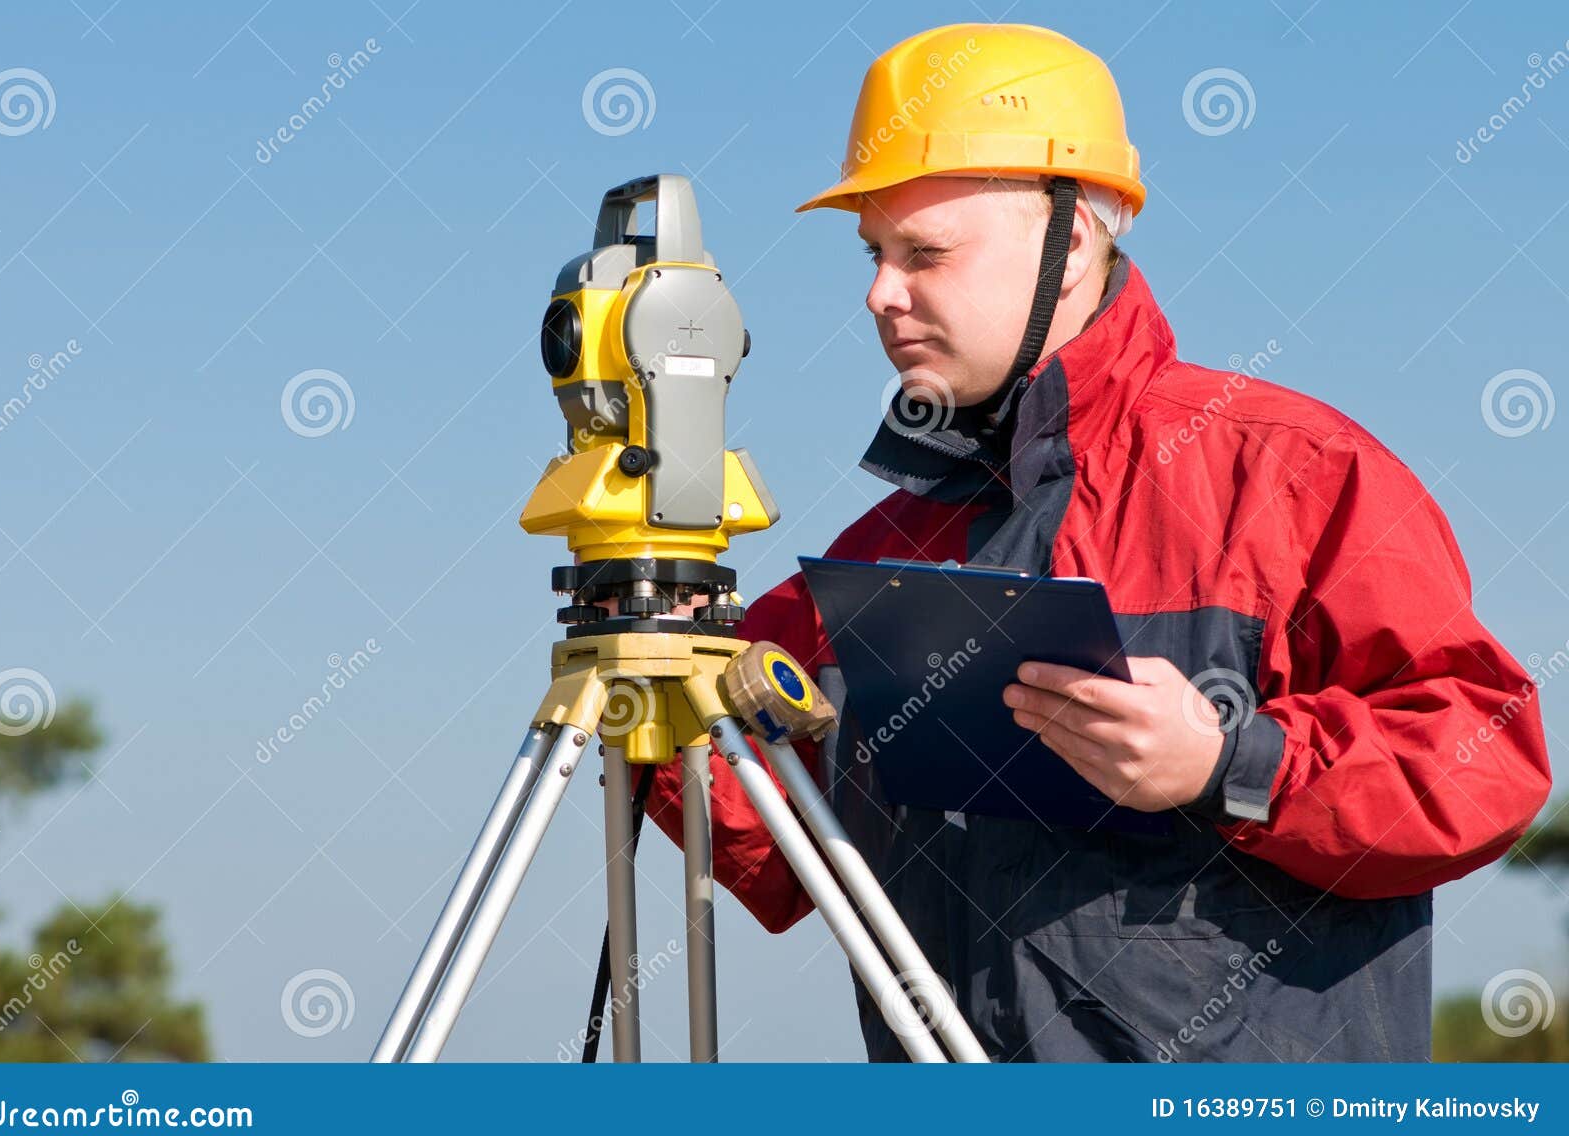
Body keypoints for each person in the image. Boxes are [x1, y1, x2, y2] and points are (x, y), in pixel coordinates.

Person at [637, 22, 1552, 1061]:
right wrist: (660, 689)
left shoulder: (1290, 471)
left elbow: (1485, 763)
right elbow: (771, 850)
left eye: (923, 253)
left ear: (1068, 242)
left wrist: (1228, 762)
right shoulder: (887, 549)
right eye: (874, 255)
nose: (879, 294)